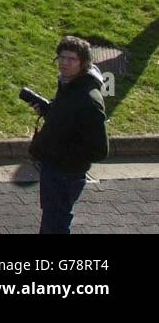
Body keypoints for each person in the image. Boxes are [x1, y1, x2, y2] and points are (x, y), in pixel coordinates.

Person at [28, 36, 110, 234]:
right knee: (51, 221)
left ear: (83, 63)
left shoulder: (88, 99)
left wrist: (61, 152)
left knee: (55, 225)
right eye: (61, 58)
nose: (64, 63)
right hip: (54, 169)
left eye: (71, 59)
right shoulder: (69, 84)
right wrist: (49, 112)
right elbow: (68, 119)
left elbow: (100, 150)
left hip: (65, 173)